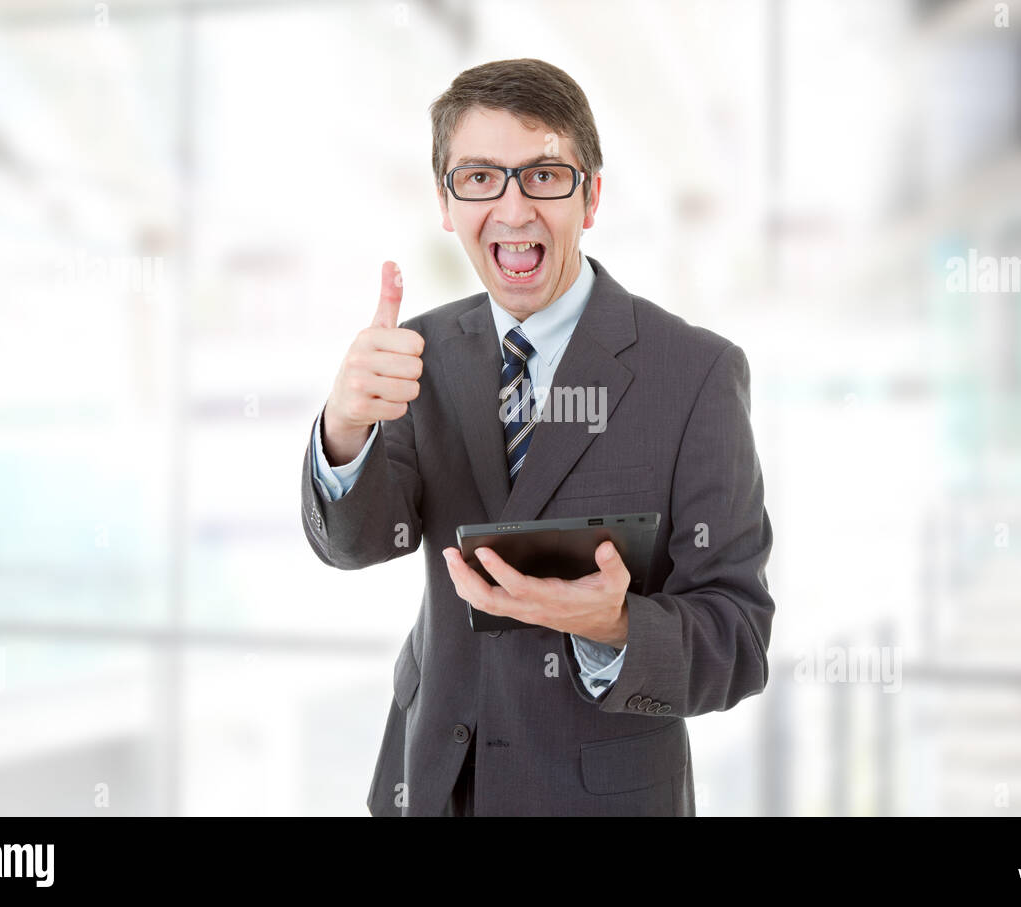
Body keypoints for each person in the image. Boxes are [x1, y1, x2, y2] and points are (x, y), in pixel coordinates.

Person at [301, 58, 774, 816]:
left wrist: (613, 628)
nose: (514, 210)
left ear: (590, 196)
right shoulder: (413, 353)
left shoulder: (695, 373)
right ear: (446, 203)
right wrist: (345, 427)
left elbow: (739, 639)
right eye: (480, 177)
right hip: (430, 786)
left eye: (545, 175)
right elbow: (355, 544)